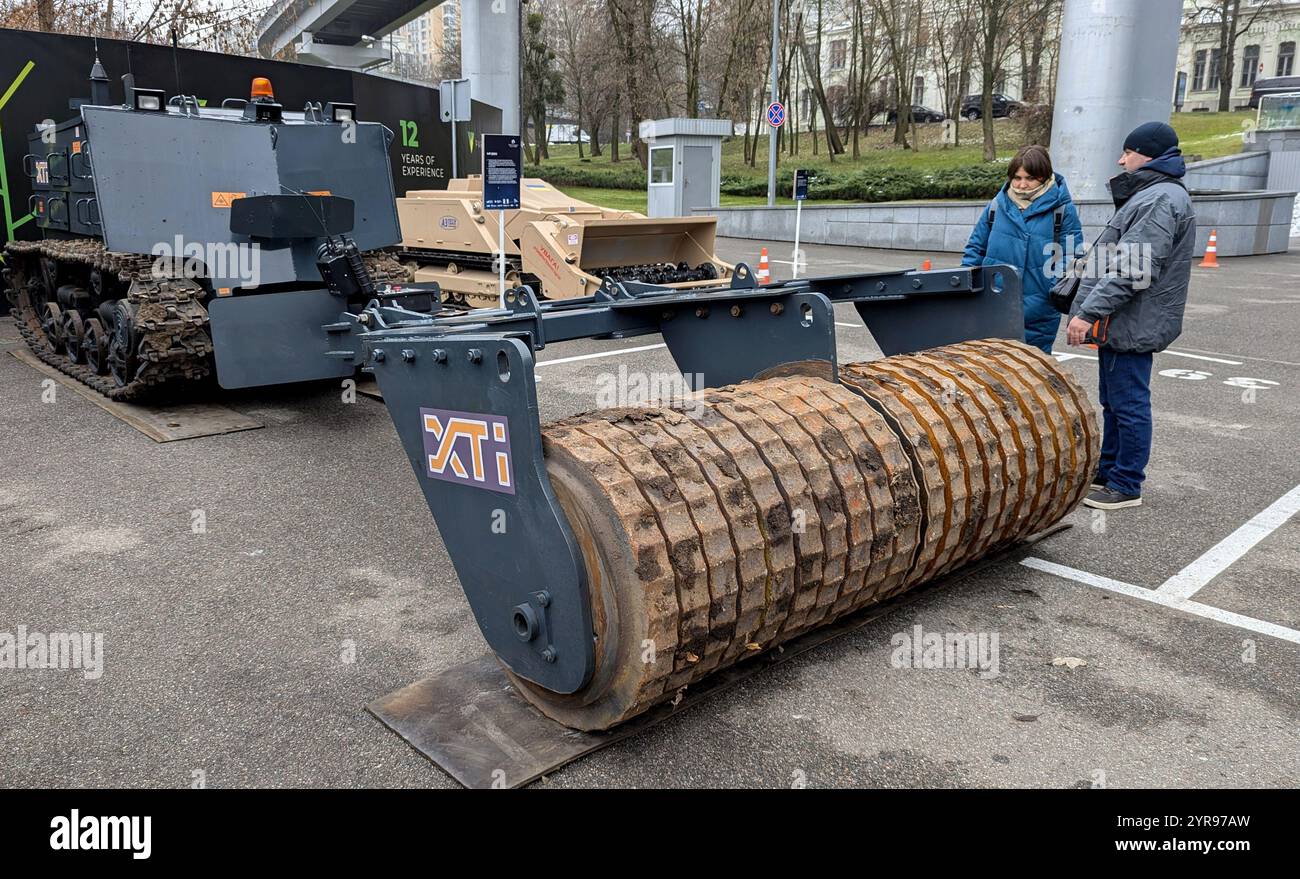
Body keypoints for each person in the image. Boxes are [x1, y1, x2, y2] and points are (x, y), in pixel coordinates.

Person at [1067, 121, 1196, 510]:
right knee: (1116, 400)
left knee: (1128, 402)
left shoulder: (1158, 199)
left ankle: (1126, 483)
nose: (1121, 160)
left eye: (1128, 152)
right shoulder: (1154, 194)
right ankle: (1109, 472)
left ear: (1149, 155)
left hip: (1133, 320)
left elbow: (1132, 268)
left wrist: (1088, 313)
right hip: (1127, 319)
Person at [962, 145, 1083, 354]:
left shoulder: (1062, 210)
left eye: (1030, 178)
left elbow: (1073, 254)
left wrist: (1051, 288)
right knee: (992, 368)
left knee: (1034, 369)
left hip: (1041, 308)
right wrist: (965, 286)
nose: (1022, 185)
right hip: (994, 302)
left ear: (1044, 177)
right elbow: (975, 248)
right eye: (1017, 178)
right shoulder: (996, 206)